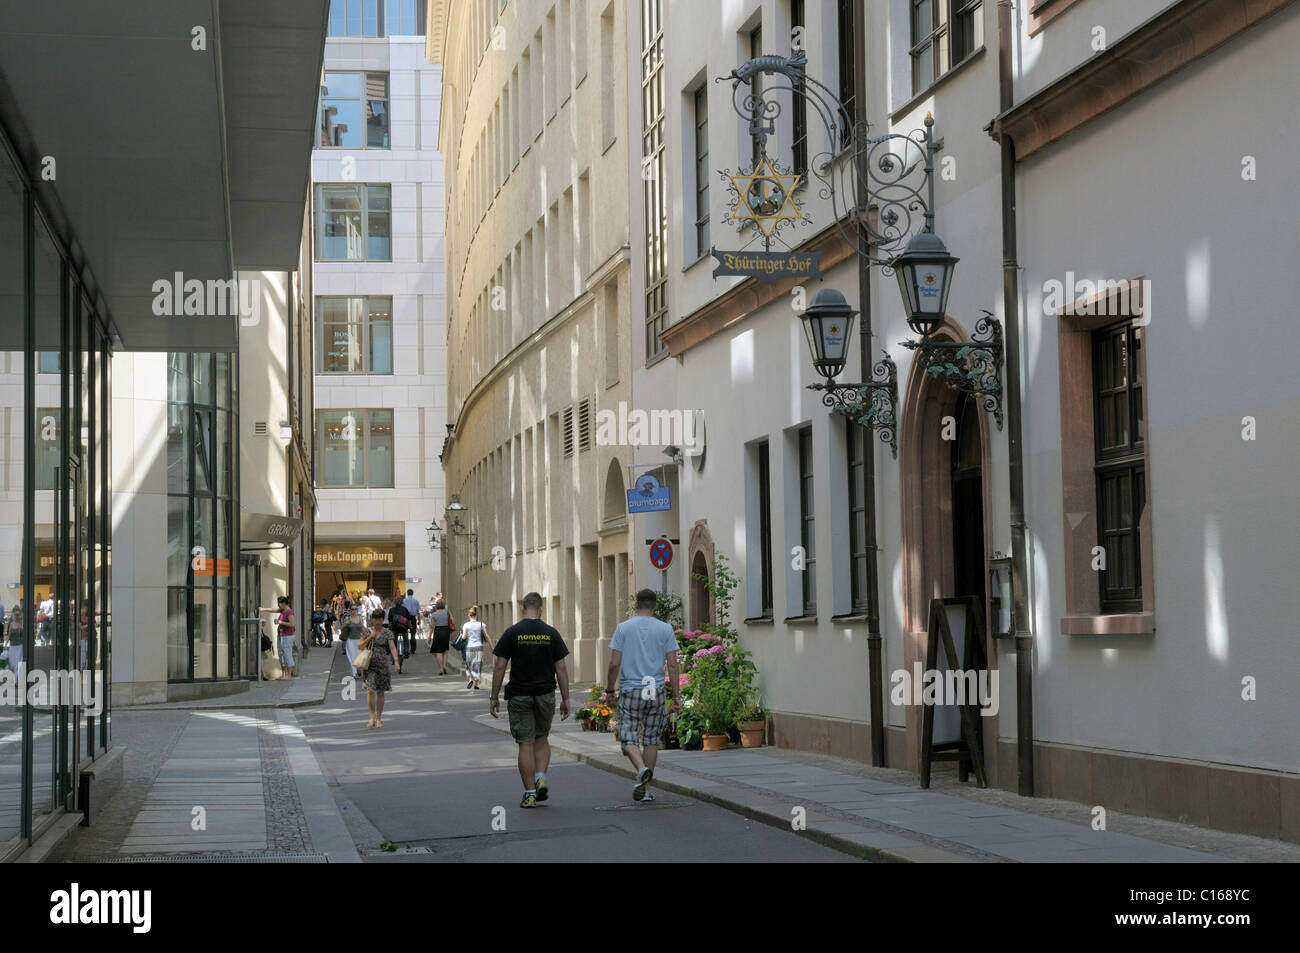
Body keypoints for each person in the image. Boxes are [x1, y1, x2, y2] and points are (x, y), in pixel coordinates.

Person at [489, 592, 570, 808]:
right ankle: (540, 776)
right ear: (541, 609)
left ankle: (530, 793)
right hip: (545, 694)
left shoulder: (513, 632)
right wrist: (566, 698)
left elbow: (499, 666)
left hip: (520, 695)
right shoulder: (550, 633)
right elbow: (561, 667)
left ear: (523, 608)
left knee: (526, 742)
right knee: (542, 737)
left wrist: (494, 696)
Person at [601, 589, 682, 803]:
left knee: (628, 737)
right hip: (654, 689)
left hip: (632, 689)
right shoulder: (665, 629)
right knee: (651, 740)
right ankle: (645, 790)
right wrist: (676, 696)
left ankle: (641, 768)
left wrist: (610, 689)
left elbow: (614, 663)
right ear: (654, 606)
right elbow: (672, 664)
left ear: (636, 605)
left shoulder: (623, 628)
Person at [358, 608, 401, 728]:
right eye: (376, 619)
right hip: (369, 665)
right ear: (372, 619)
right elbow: (359, 646)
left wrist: (396, 661)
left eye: (380, 619)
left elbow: (392, 648)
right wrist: (370, 638)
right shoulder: (367, 632)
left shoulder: (388, 633)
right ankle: (371, 718)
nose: (378, 622)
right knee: (370, 690)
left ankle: (379, 719)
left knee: (381, 692)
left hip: (382, 665)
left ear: (383, 620)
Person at [258, 596, 296, 680]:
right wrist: (263, 609)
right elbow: (272, 610)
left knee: (287, 654)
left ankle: (289, 675)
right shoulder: (282, 610)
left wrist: (280, 622)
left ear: (283, 603)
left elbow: (292, 624)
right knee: (281, 655)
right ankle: (283, 674)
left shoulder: (289, 612)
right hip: (281, 636)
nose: (278, 605)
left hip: (288, 636)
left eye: (279, 603)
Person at [460, 606, 493, 690]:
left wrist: (461, 635)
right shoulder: (481, 624)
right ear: (477, 615)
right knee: (477, 664)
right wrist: (492, 647)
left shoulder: (466, 625)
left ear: (469, 615)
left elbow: (463, 637)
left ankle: (470, 679)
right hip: (479, 646)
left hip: (469, 647)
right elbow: (486, 635)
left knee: (469, 664)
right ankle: (476, 684)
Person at [429, 600, 456, 675]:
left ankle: (441, 668)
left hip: (437, 632)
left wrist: (429, 636)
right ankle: (444, 666)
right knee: (445, 651)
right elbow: (453, 621)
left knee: (439, 652)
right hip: (446, 632)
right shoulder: (447, 612)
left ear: (437, 606)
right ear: (444, 605)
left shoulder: (434, 615)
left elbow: (432, 627)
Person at [339, 599, 364, 677]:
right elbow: (342, 627)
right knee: (352, 658)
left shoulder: (360, 618)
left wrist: (368, 634)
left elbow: (363, 628)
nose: (354, 610)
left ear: (357, 610)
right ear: (350, 610)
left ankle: (358, 669)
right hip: (350, 641)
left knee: (359, 657)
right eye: (352, 609)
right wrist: (345, 624)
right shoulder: (348, 619)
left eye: (355, 609)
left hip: (359, 641)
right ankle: (354, 673)